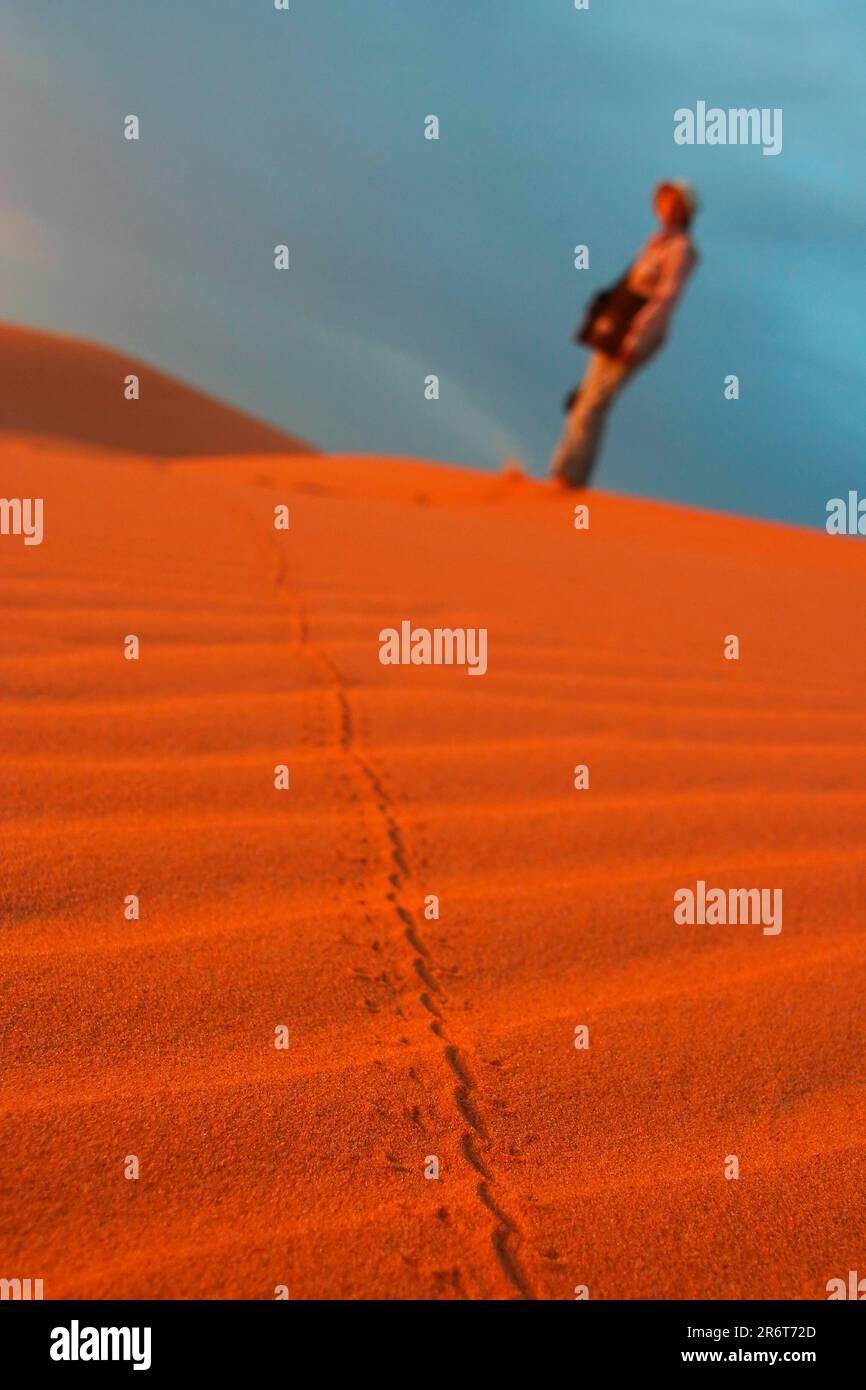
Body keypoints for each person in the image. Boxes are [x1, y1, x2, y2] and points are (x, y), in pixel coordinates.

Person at [550, 180, 699, 489]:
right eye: (662, 199)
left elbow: (665, 299)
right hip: (617, 327)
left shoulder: (682, 249)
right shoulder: (656, 241)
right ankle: (563, 471)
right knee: (584, 400)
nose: (664, 206)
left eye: (672, 201)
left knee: (593, 403)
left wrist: (636, 339)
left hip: (640, 332)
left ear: (684, 208)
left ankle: (570, 479)